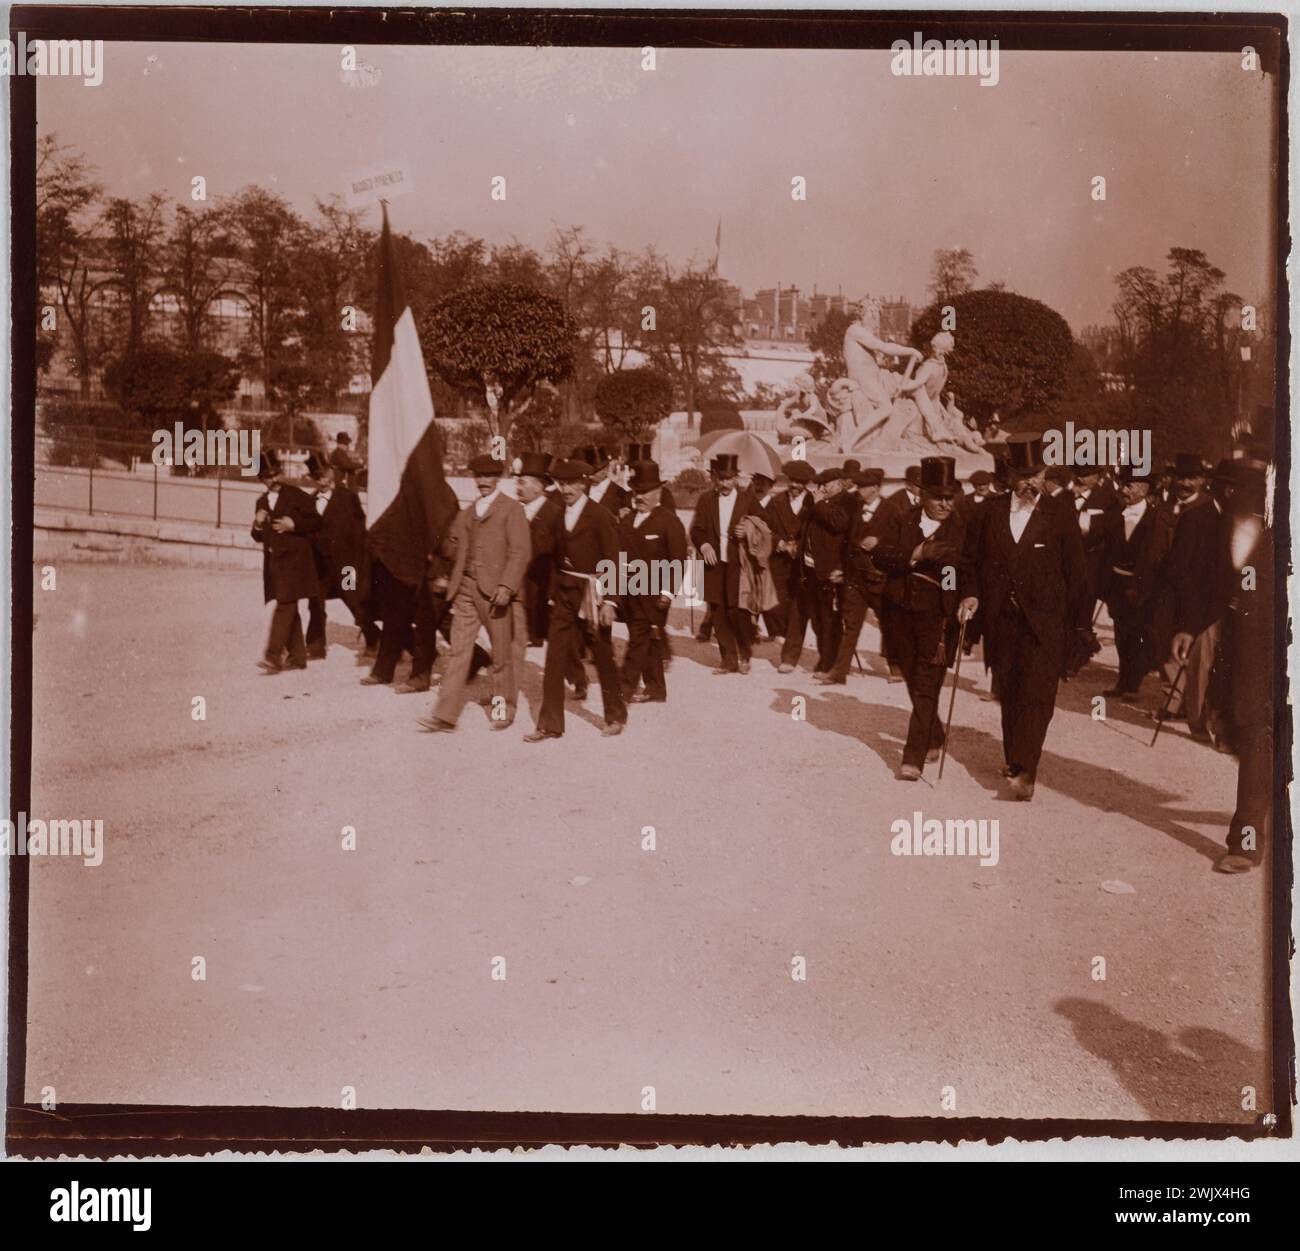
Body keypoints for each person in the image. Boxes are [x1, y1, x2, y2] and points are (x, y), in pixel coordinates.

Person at [961, 431, 1089, 800]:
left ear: (1045, 472)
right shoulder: (989, 512)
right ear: (1009, 475)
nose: (1029, 482)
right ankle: (1015, 759)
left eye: (1035, 474)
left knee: (1037, 698)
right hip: (1002, 623)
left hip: (1045, 625)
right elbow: (968, 561)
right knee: (1011, 694)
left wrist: (1079, 627)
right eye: (1022, 475)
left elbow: (1078, 576)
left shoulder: (1060, 514)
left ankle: (1025, 772)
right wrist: (969, 593)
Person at [870, 456, 969, 779]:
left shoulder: (962, 527)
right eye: (938, 497)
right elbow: (881, 555)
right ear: (922, 495)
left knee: (927, 685)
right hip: (899, 613)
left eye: (950, 497)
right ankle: (935, 734)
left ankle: (911, 757)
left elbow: (962, 571)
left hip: (938, 620)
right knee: (914, 681)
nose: (945, 503)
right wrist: (916, 554)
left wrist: (952, 591)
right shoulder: (902, 520)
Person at [417, 454, 530, 734]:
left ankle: (504, 711)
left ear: (498, 478)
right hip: (465, 589)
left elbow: (520, 552)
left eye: (488, 476)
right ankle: (445, 716)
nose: (482, 482)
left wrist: (506, 586)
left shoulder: (512, 509)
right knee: (458, 651)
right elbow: (452, 548)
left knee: (502, 654)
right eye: (478, 476)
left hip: (495, 592)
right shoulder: (467, 513)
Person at [1200, 458, 1273, 873]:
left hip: (1276, 655)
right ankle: (1247, 840)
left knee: (1259, 744)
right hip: (1241, 656)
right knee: (1252, 741)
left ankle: (1247, 841)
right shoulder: (1226, 529)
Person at [526, 459, 627, 740]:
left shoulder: (600, 516)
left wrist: (611, 601)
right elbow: (551, 557)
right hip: (564, 593)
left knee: (603, 655)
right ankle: (550, 724)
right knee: (555, 656)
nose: (566, 488)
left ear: (584, 484)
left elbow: (614, 560)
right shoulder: (557, 516)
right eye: (561, 483)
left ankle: (615, 715)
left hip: (593, 594)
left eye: (571, 483)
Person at [1158, 452, 1228, 736]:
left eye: (1192, 477)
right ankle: (1190, 715)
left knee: (1210, 661)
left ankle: (1204, 718)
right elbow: (1178, 565)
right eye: (1181, 477)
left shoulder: (1218, 515)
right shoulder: (1190, 513)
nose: (1185, 483)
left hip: (1212, 600)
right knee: (1190, 658)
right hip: (1188, 599)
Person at [619, 459, 687, 704]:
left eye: (646, 492)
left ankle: (623, 689)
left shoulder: (669, 522)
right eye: (637, 491)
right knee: (647, 640)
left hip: (654, 595)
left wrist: (668, 593)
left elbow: (678, 560)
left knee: (638, 639)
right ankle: (656, 688)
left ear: (658, 492)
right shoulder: (626, 521)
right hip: (628, 592)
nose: (640, 497)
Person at [251, 449, 323, 674]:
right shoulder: (261, 502)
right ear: (262, 479)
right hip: (274, 564)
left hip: (296, 561)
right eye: (268, 476)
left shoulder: (297, 495)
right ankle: (298, 656)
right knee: (288, 605)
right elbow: (257, 536)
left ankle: (273, 657)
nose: (274, 479)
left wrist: (295, 525)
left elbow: (316, 522)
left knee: (285, 605)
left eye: (276, 474)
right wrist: (257, 523)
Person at [690, 453, 762, 675]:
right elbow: (697, 529)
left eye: (729, 478)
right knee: (718, 611)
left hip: (737, 564)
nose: (724, 483)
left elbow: (764, 525)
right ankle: (728, 659)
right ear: (715, 478)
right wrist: (703, 546)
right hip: (713, 564)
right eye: (721, 478)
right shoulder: (706, 500)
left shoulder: (747, 500)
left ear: (736, 478)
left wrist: (748, 529)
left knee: (737, 611)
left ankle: (745, 653)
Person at [1094, 465, 1160, 700]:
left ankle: (1133, 684)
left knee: (1139, 634)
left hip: (1142, 588)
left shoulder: (1155, 519)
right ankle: (1123, 681)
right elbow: (1106, 550)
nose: (1124, 489)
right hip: (1117, 586)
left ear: (1144, 489)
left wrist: (1141, 586)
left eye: (1129, 485)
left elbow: (1153, 557)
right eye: (1123, 484)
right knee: (1121, 634)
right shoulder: (1115, 515)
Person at [305, 452, 374, 659]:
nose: (322, 481)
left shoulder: (347, 497)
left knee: (354, 600)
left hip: (346, 564)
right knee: (315, 603)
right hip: (320, 564)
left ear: (331, 474)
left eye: (324, 476)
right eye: (317, 478)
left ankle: (374, 638)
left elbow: (359, 526)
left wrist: (360, 558)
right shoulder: (309, 501)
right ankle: (316, 645)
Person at [823, 466, 886, 684]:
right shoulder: (854, 508)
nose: (858, 490)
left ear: (876, 488)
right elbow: (845, 542)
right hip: (854, 579)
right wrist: (840, 567)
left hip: (881, 579)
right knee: (850, 626)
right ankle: (839, 672)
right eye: (857, 486)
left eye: (863, 487)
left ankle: (897, 668)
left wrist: (880, 543)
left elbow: (902, 543)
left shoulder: (893, 509)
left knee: (889, 624)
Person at [515, 451, 562, 647]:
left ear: (539, 486)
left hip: (541, 597)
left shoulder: (554, 514)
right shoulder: (517, 511)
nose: (517, 488)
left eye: (522, 483)